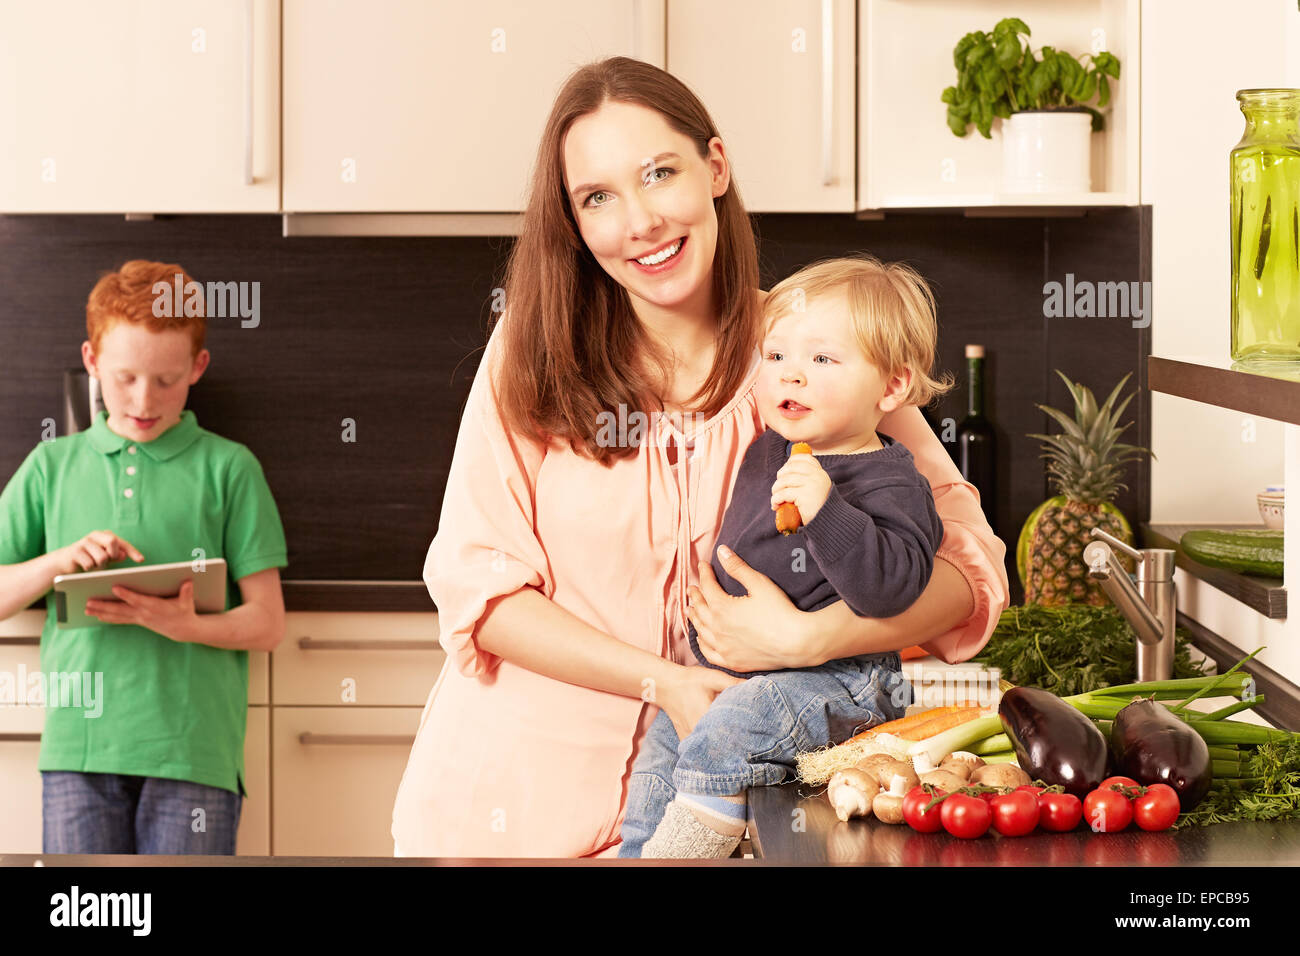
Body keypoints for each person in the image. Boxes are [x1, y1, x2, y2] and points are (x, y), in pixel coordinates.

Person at [390, 57, 1008, 859]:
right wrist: (667, 683)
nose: (640, 220)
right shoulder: (531, 352)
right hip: (506, 817)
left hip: (723, 828)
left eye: (659, 173)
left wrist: (811, 641)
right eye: (598, 197)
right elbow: (481, 589)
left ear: (715, 168)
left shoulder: (810, 355)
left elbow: (968, 571)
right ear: (574, 223)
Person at [620, 256, 952, 858]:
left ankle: (690, 847)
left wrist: (828, 512)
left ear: (893, 387)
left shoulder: (892, 481)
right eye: (775, 358)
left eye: (821, 360)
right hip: (736, 674)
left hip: (840, 680)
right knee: (658, 756)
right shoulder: (771, 449)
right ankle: (637, 852)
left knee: (726, 736)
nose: (789, 377)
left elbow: (892, 589)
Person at [0, 259, 288, 855]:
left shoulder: (230, 468)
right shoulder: (51, 467)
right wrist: (57, 562)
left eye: (166, 379)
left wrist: (188, 626)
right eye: (125, 377)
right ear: (92, 361)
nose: (143, 399)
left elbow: (267, 622)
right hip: (78, 752)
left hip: (193, 754)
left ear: (198, 367)